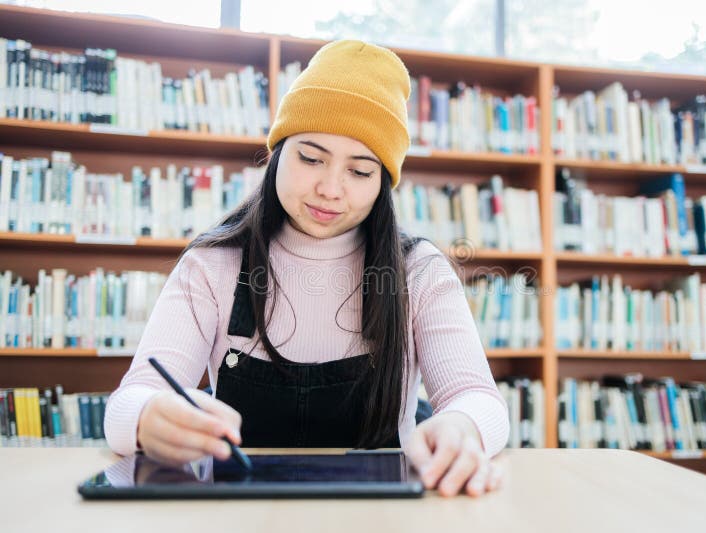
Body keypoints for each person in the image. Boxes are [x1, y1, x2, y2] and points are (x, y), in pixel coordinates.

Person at [105, 39, 510, 498]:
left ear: (383, 183)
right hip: (239, 519)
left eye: (360, 171)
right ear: (278, 152)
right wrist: (147, 417)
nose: (330, 188)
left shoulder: (420, 271)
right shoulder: (211, 265)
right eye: (311, 158)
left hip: (380, 520)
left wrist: (463, 426)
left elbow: (482, 402)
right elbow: (125, 406)